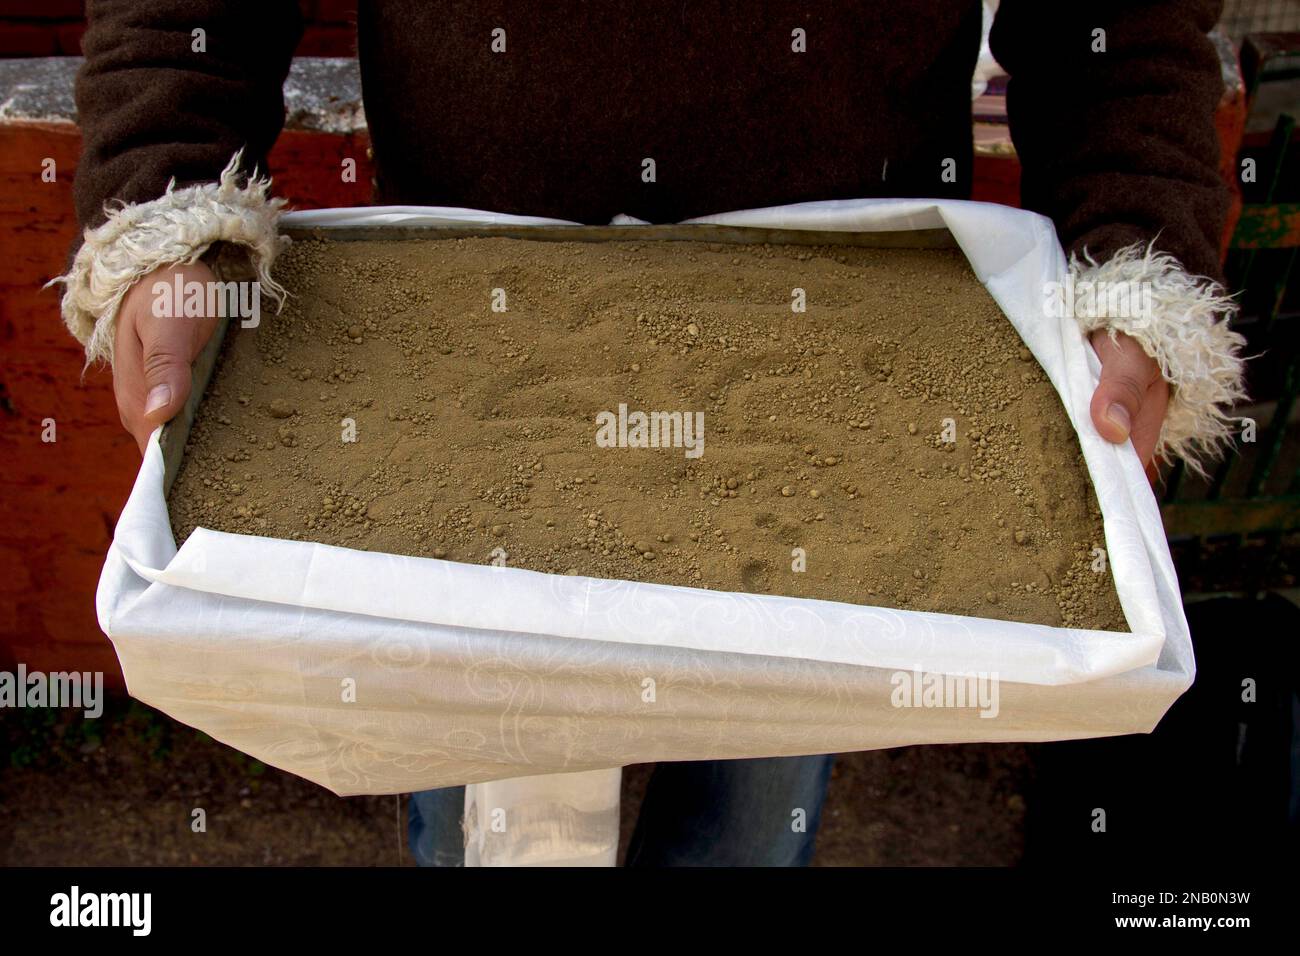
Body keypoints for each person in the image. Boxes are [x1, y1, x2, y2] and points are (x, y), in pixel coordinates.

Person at [56, 1, 1246, 866]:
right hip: (466, 324)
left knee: (752, 789)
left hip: (850, 335)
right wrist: (165, 202)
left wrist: (1135, 245)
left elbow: (1124, 20)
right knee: (489, 804)